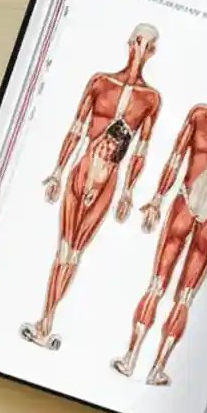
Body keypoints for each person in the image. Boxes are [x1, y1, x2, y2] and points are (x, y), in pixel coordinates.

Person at [111, 55, 207, 384]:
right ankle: (135, 358)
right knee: (159, 286)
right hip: (189, 205)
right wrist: (157, 199)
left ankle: (150, 364)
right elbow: (176, 158)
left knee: (182, 295)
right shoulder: (204, 115)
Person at [20, 24, 162, 350]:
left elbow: (142, 148)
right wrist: (57, 171)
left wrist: (128, 191)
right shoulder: (101, 82)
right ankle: (45, 321)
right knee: (63, 250)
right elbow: (77, 125)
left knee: (75, 254)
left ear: (153, 52)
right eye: (138, 41)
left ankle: (47, 321)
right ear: (129, 43)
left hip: (108, 180)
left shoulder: (150, 99)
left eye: (148, 46)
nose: (141, 50)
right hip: (81, 169)